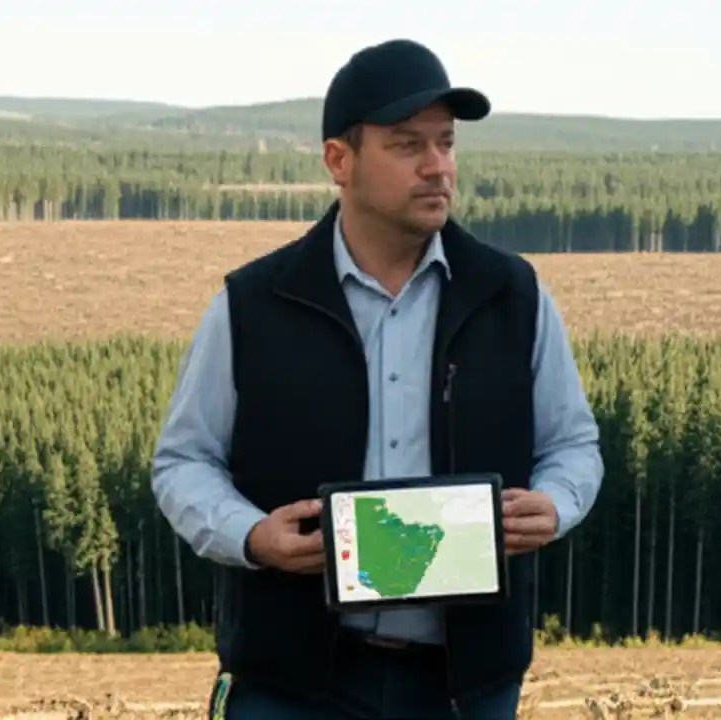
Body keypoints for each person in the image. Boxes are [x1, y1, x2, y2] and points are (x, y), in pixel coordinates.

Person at [150, 38, 604, 719]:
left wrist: (557, 503)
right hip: (290, 687)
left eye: (446, 143)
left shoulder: (513, 296)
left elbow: (573, 445)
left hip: (465, 689)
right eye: (406, 145)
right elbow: (183, 463)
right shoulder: (252, 304)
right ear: (339, 160)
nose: (437, 166)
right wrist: (252, 536)